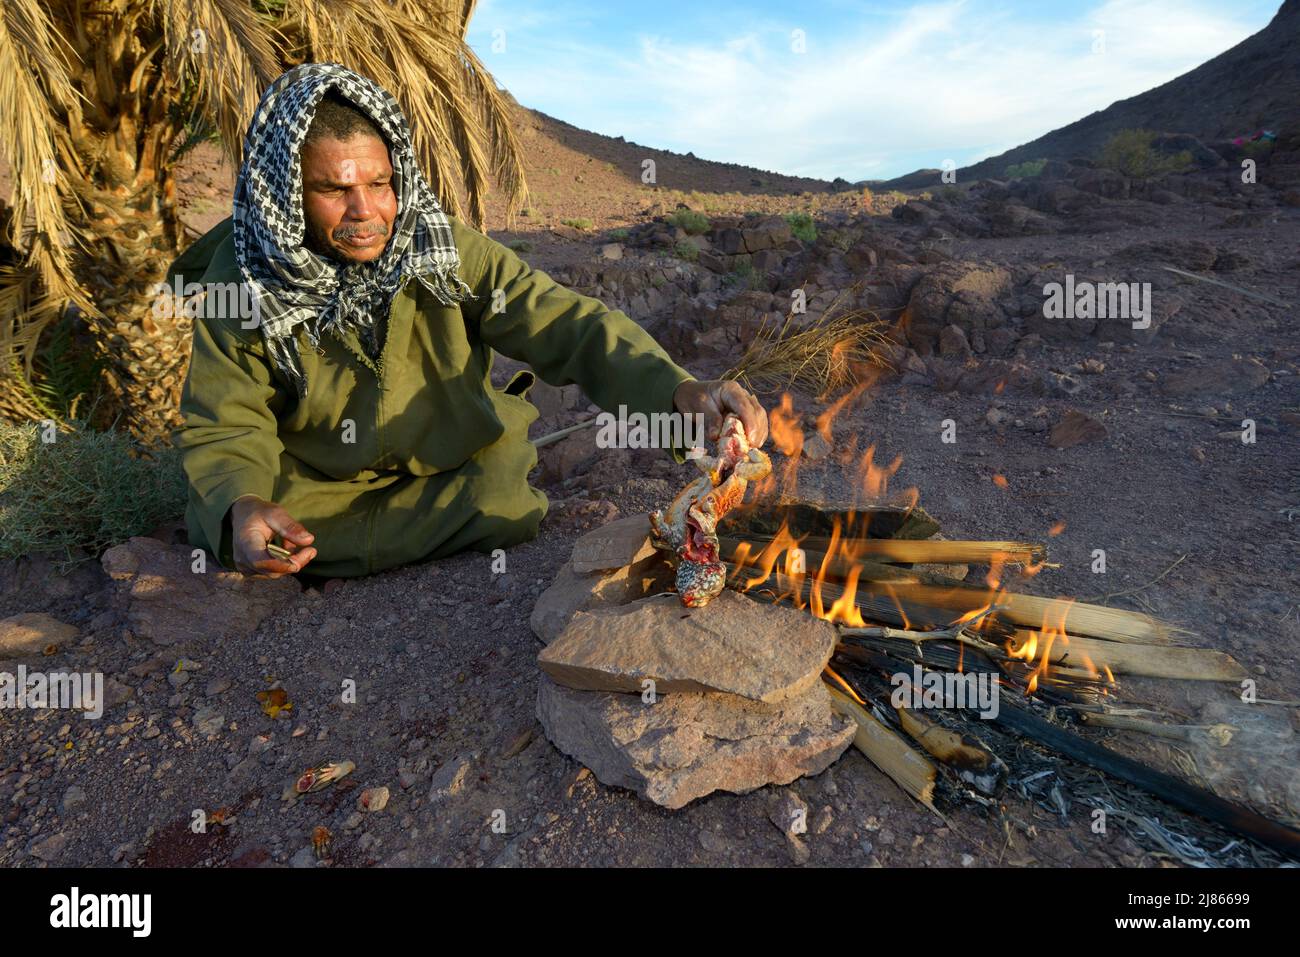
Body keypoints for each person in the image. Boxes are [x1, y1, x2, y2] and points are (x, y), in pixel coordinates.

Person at [169, 63, 768, 580]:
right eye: (333, 189)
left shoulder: (445, 251)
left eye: (380, 184)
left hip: (451, 479)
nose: (366, 211)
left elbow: (569, 325)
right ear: (287, 193)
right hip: (314, 492)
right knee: (245, 526)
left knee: (503, 498)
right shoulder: (245, 277)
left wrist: (677, 390)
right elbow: (225, 418)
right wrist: (243, 500)